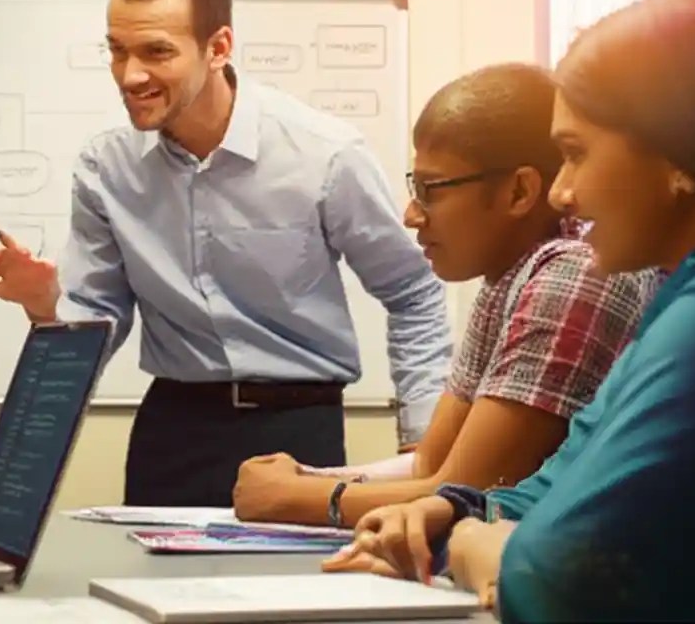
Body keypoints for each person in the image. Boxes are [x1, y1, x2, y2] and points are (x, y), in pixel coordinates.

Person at [322, 0, 695, 622]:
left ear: (677, 157)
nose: (562, 193)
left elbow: (554, 579)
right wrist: (454, 513)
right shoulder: (679, 295)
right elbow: (556, 481)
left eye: (577, 155)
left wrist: (477, 546)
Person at [0, 0, 452, 507]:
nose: (130, 75)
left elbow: (412, 292)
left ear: (218, 47)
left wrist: (424, 451)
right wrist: (47, 304)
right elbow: (98, 320)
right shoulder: (107, 167)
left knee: (286, 595)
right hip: (174, 428)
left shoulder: (324, 156)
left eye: (156, 52)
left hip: (298, 428)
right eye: (117, 50)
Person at [232, 64, 659, 526]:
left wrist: (299, 498)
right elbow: (431, 465)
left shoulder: (571, 274)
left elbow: (464, 496)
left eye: (432, 190)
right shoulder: (510, 274)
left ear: (520, 190)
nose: (412, 215)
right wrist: (308, 478)